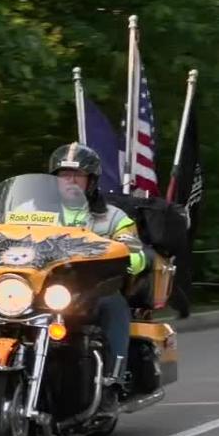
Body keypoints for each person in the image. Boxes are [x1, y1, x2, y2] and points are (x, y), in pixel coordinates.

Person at [47, 142, 149, 410]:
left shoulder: (113, 218)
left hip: (91, 291)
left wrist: (123, 260)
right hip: (41, 290)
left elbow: (136, 254)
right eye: (63, 175)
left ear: (90, 181)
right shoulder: (34, 213)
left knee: (113, 304)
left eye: (77, 175)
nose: (69, 181)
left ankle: (112, 382)